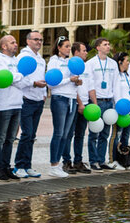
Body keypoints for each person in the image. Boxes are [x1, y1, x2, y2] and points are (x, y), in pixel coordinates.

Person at [0, 35, 24, 181]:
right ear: (4, 46)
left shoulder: (16, 60)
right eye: (12, 42)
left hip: (17, 102)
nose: (16, 44)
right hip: (3, 104)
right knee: (0, 138)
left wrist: (16, 77)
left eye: (16, 42)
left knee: (10, 139)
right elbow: (6, 78)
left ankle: (6, 167)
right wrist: (18, 77)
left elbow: (19, 79)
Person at [15, 30, 47, 177]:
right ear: (28, 41)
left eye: (41, 40)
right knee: (26, 134)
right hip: (26, 99)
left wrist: (44, 94)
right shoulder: (23, 57)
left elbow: (42, 77)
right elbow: (19, 78)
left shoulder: (41, 59)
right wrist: (33, 83)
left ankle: (28, 165)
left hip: (38, 100)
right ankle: (19, 165)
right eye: (36, 39)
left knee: (32, 135)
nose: (39, 42)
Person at [46, 36, 79, 177]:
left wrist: (76, 81)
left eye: (69, 46)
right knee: (58, 133)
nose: (68, 48)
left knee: (66, 134)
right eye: (65, 46)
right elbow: (52, 82)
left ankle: (58, 164)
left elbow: (72, 79)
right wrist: (69, 80)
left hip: (71, 98)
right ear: (58, 47)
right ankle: (53, 164)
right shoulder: (54, 61)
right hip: (59, 98)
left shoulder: (71, 62)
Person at [87, 38, 119, 171]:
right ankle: (93, 161)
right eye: (105, 45)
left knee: (105, 133)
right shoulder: (91, 63)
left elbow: (116, 84)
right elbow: (90, 84)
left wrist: (115, 102)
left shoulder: (113, 64)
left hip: (109, 101)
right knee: (94, 132)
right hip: (97, 101)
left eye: (108, 44)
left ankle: (101, 160)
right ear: (98, 47)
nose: (108, 46)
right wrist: (94, 104)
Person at [66, 41, 93, 174]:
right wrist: (80, 103)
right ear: (76, 52)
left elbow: (90, 87)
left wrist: (93, 103)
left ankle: (78, 161)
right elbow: (72, 87)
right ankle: (66, 161)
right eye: (84, 50)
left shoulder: (87, 67)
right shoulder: (70, 66)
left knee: (80, 135)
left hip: (86, 105)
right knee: (69, 134)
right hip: (75, 104)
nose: (86, 53)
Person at [113, 51, 130, 167]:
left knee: (126, 136)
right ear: (120, 62)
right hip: (121, 110)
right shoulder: (116, 76)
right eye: (127, 60)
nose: (129, 63)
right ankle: (114, 159)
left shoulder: (128, 75)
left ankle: (123, 159)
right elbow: (116, 93)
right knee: (117, 135)